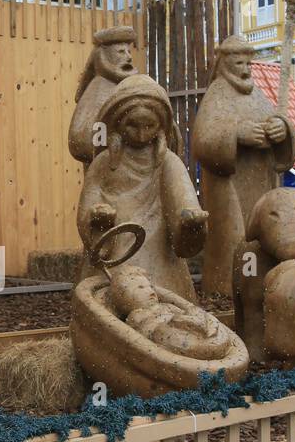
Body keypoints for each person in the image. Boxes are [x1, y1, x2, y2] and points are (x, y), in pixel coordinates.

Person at [77, 74, 207, 300]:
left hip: (157, 247)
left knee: (165, 299)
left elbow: (183, 198)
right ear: (118, 121)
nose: (141, 134)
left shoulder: (168, 162)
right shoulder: (104, 163)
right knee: (106, 300)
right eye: (133, 125)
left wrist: (189, 221)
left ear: (161, 125)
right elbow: (88, 204)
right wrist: (97, 217)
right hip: (116, 243)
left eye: (149, 126)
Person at [191, 35, 295, 295]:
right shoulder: (217, 95)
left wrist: (281, 130)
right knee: (234, 243)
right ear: (225, 64)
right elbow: (202, 142)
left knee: (265, 238)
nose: (246, 70)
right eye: (239, 64)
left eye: (249, 64)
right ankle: (228, 290)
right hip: (230, 190)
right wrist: (236, 135)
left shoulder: (257, 95)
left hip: (263, 185)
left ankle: (268, 286)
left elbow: (278, 125)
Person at [68, 26, 139, 168]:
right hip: (105, 176)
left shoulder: (124, 88)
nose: (129, 57)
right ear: (104, 57)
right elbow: (79, 141)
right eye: (120, 52)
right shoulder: (100, 89)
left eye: (128, 51)